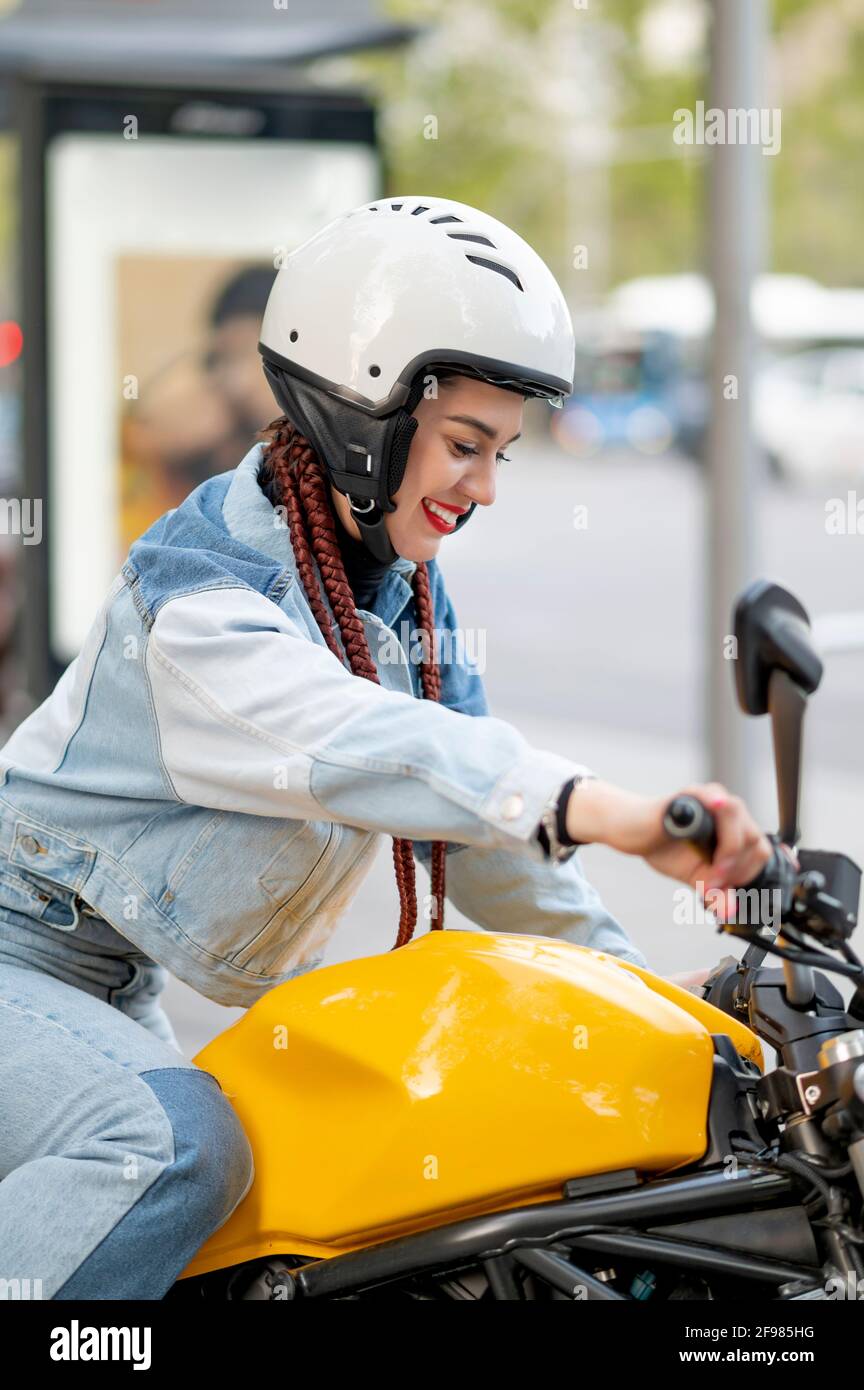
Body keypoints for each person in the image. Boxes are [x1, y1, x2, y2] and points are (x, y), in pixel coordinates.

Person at [0, 195, 772, 1300]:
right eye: (466, 445)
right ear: (364, 409)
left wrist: (664, 1011)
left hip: (110, 985)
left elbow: (491, 838)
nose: (488, 487)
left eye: (502, 451)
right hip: (16, 958)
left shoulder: (401, 593)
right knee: (172, 1152)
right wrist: (622, 812)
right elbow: (363, 742)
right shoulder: (206, 601)